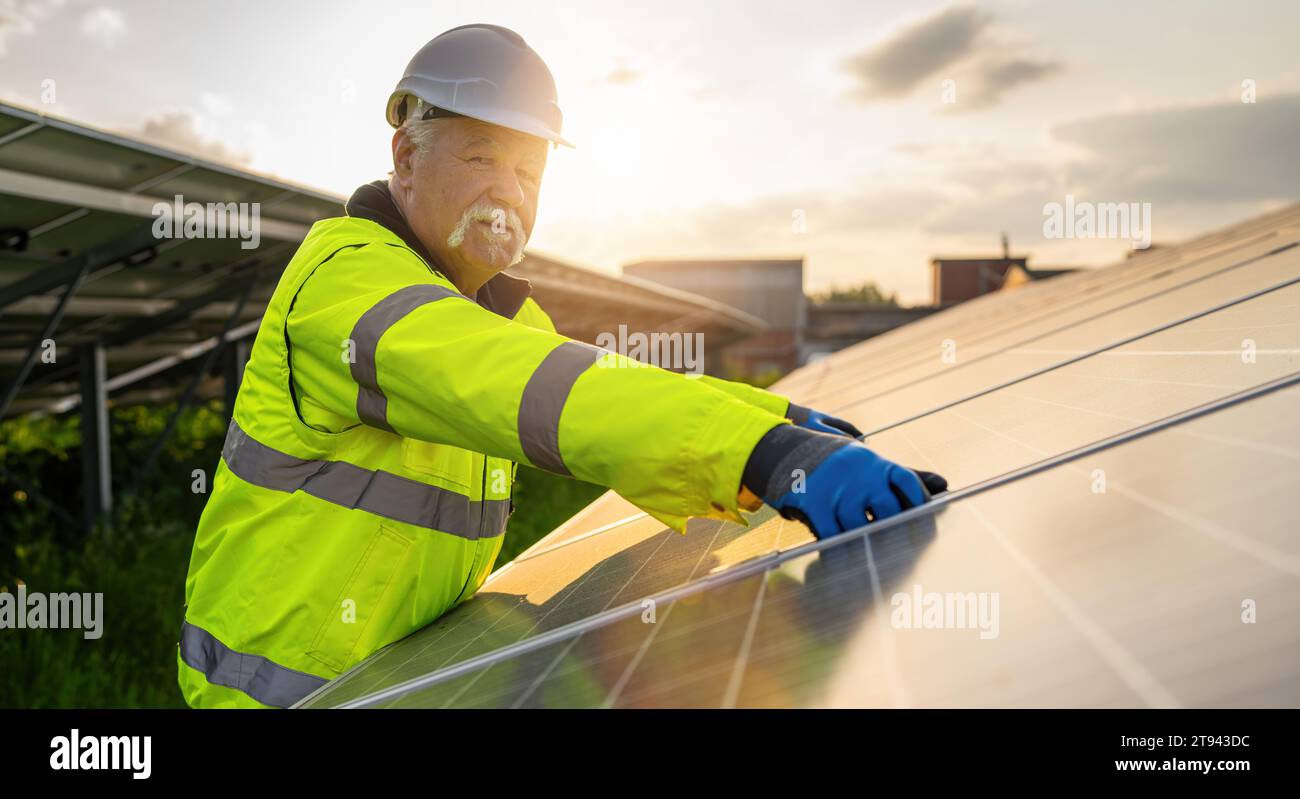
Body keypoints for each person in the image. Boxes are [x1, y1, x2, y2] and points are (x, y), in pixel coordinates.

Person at [176, 23, 945, 708]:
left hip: (398, 669)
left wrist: (771, 421)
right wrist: (759, 453)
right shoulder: (345, 281)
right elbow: (526, 383)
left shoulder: (494, 313)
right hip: (276, 695)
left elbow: (608, 386)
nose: (507, 191)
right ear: (406, 157)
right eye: (481, 156)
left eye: (530, 171)